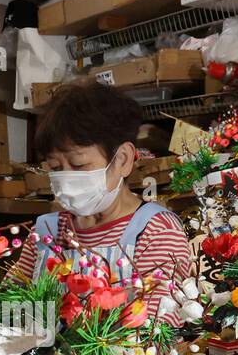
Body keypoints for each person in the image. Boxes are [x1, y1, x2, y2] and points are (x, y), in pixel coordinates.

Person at [10, 82, 193, 323]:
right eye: (55, 168)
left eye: (79, 165)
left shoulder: (155, 232)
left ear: (123, 159)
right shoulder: (47, 232)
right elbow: (9, 308)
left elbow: (158, 333)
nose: (67, 179)